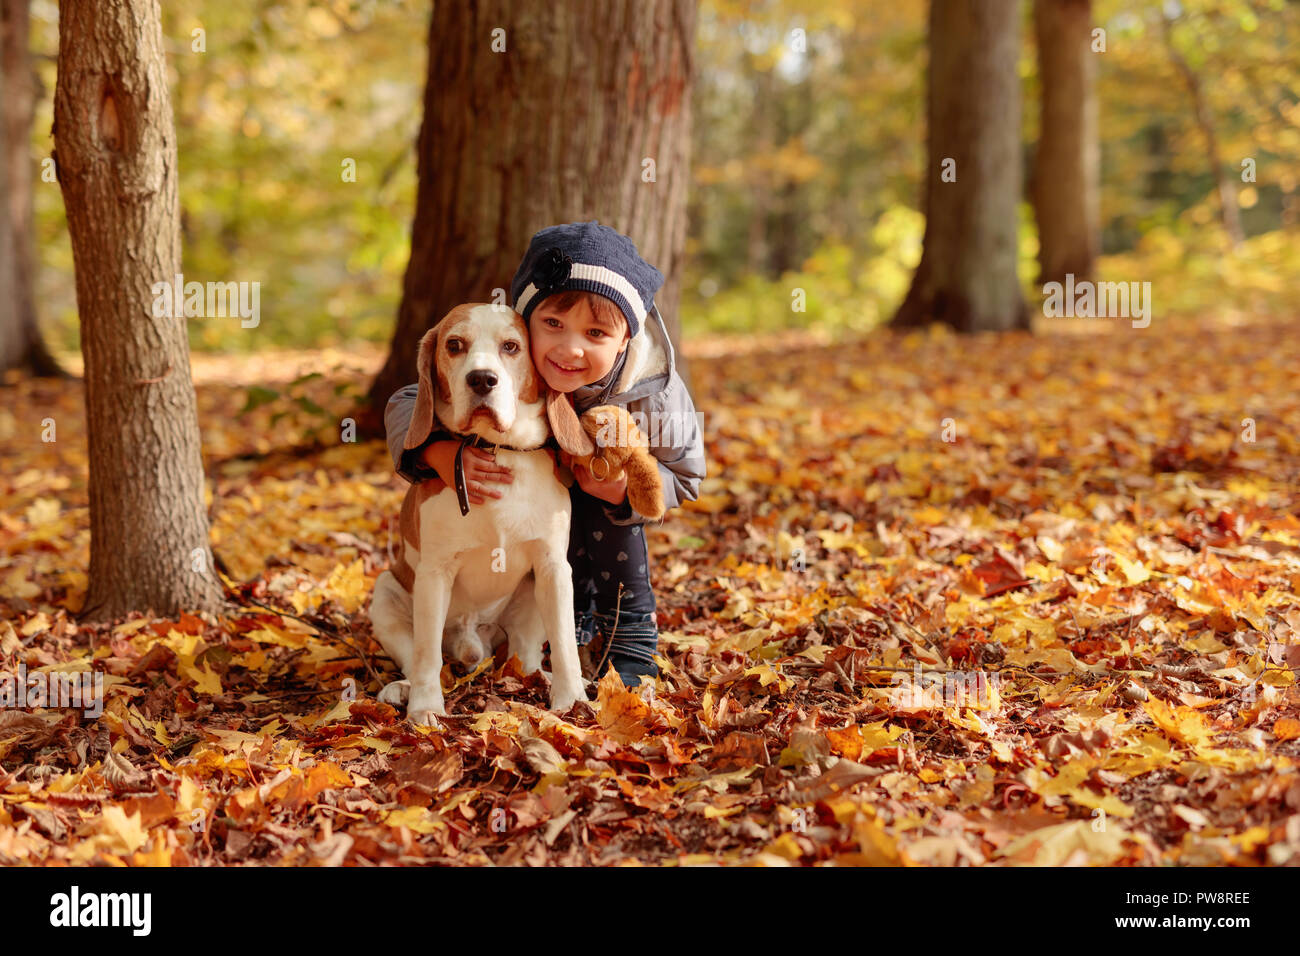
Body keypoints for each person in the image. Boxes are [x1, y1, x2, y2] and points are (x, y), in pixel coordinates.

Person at [384, 220, 707, 688]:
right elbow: (405, 403)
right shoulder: (511, 357)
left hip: (604, 504)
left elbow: (688, 474)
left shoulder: (653, 393)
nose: (570, 348)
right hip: (536, 508)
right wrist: (436, 452)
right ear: (525, 323)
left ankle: (631, 626)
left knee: (604, 514)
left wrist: (620, 488)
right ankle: (571, 620)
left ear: (625, 342)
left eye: (596, 333)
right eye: (553, 324)